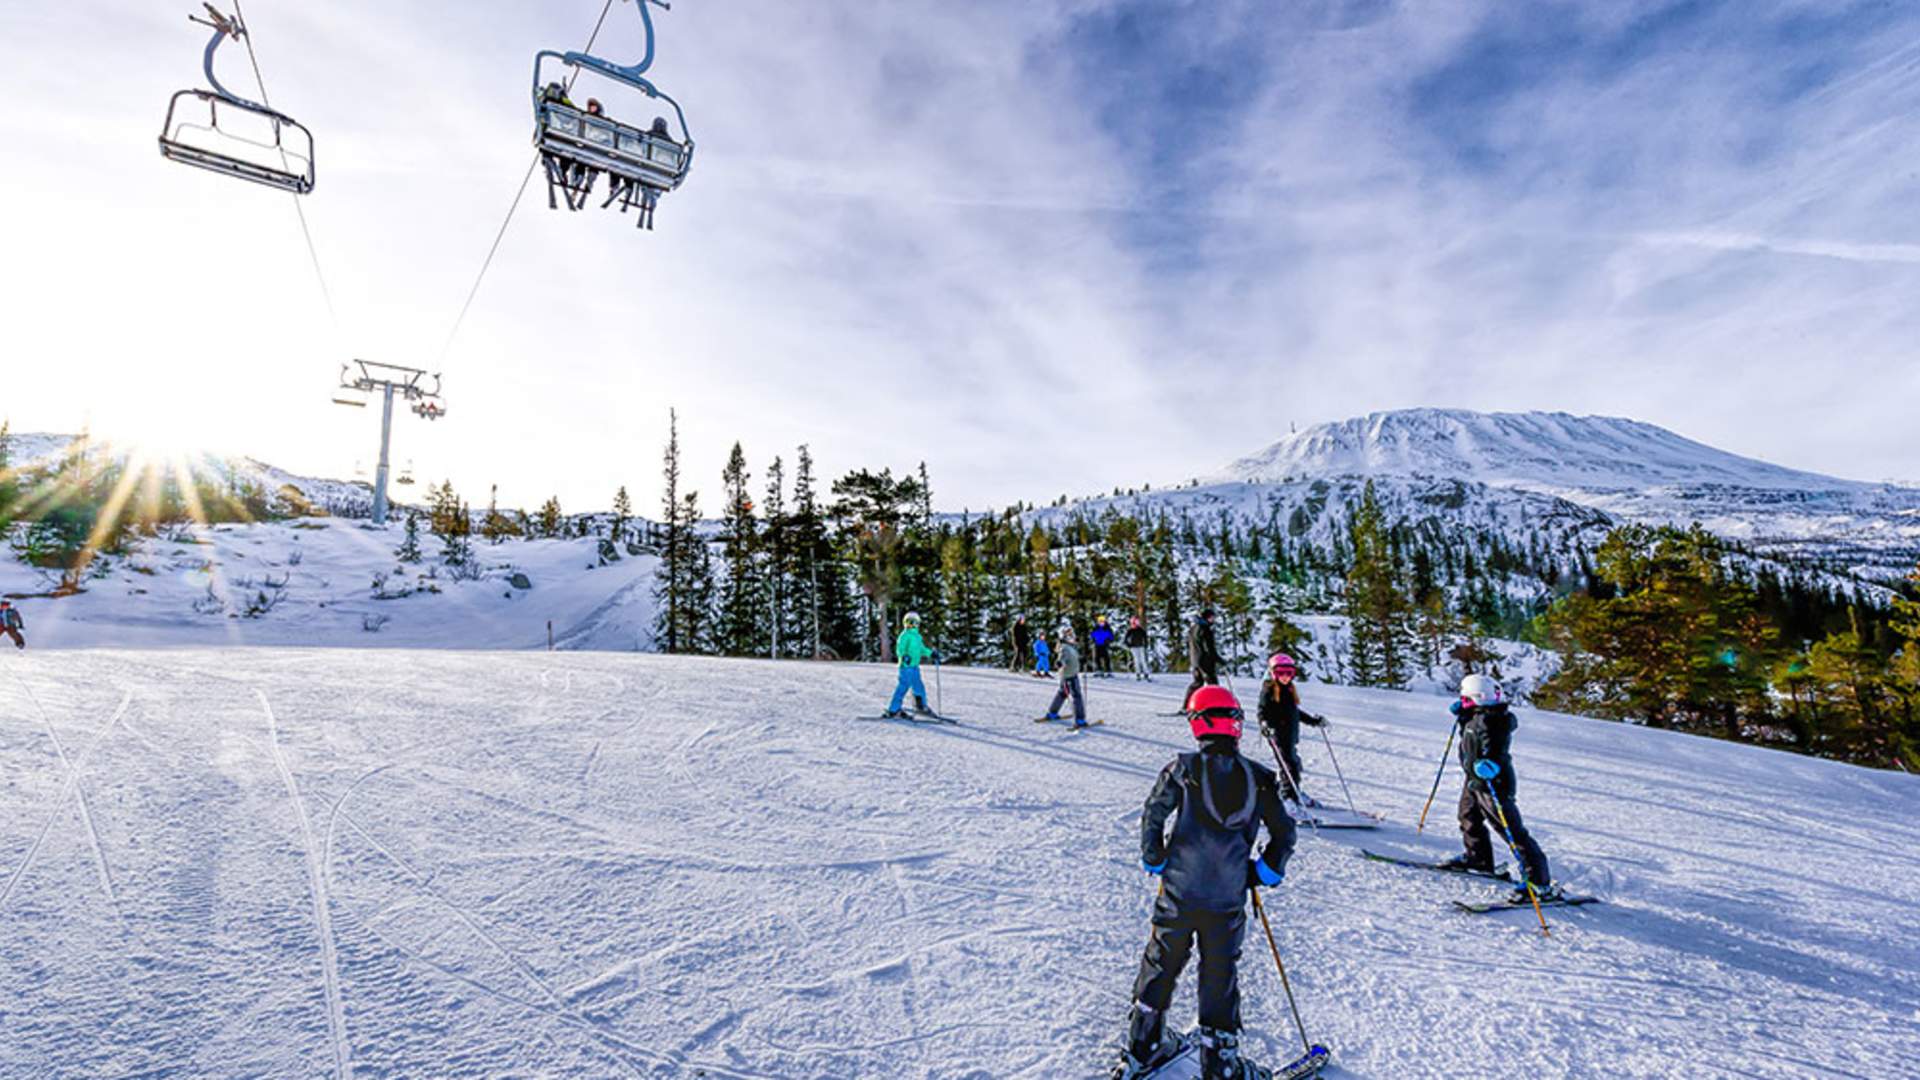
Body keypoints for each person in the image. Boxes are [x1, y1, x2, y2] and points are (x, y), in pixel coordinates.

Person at [1115, 685, 1296, 1080]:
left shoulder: (1181, 769)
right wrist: (1263, 872)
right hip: (1226, 896)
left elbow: (1153, 814)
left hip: (1180, 891)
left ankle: (1142, 1045)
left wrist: (1155, 858)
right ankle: (1220, 1065)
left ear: (1198, 724)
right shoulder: (1260, 778)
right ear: (1235, 725)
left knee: (1162, 959)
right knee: (1219, 971)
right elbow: (1284, 833)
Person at [1441, 675, 1555, 903]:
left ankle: (1539, 882)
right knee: (1467, 817)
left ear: (1478, 698)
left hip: (1493, 782)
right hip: (1474, 779)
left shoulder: (1495, 721)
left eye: (1466, 699)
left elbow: (1495, 744)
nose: (1462, 702)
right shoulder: (1476, 715)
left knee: (1511, 830)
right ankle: (1478, 859)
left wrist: (1491, 764)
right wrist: (1464, 717)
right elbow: (1471, 738)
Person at [1256, 654, 1325, 805]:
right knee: (1289, 767)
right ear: (1273, 673)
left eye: (1289, 673)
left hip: (1289, 736)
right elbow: (1262, 711)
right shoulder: (1269, 691)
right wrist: (1264, 724)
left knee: (1295, 764)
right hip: (1277, 735)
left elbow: (1295, 712)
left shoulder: (1288, 690)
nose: (1285, 676)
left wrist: (1313, 721)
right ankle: (1288, 799)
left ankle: (1294, 792)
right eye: (1281, 672)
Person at [881, 612, 935, 719]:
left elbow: (921, 649)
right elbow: (900, 649)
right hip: (906, 666)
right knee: (903, 686)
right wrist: (904, 656)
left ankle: (920, 706)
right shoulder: (904, 635)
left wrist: (931, 653)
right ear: (905, 623)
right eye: (909, 623)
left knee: (918, 686)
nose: (911, 625)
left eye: (914, 623)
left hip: (915, 666)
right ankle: (893, 709)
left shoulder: (917, 636)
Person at [1042, 624, 1088, 727]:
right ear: (1063, 636)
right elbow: (1062, 658)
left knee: (1062, 693)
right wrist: (1059, 663)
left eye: (1072, 633)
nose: (1072, 636)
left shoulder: (1071, 647)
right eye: (1068, 634)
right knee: (1077, 696)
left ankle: (1052, 713)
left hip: (1068, 675)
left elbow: (1073, 658)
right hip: (1069, 676)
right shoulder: (1065, 648)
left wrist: (1081, 659)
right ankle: (1080, 719)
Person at [1183, 609, 1220, 711]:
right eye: (1212, 617)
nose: (1213, 619)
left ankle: (1186, 706)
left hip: (1195, 661)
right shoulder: (1205, 629)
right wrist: (1219, 660)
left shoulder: (1193, 628)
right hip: (1205, 661)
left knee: (1197, 683)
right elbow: (1209, 648)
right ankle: (1215, 707)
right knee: (1213, 684)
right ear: (1207, 618)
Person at [1125, 616, 1151, 680]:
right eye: (1133, 623)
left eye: (1136, 623)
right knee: (1136, 660)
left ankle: (1146, 673)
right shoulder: (1130, 631)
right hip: (1133, 647)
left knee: (1143, 660)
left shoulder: (1140, 630)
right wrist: (1128, 644)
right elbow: (1126, 639)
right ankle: (1138, 673)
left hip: (1141, 646)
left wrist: (1146, 644)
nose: (1134, 624)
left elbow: (1145, 637)